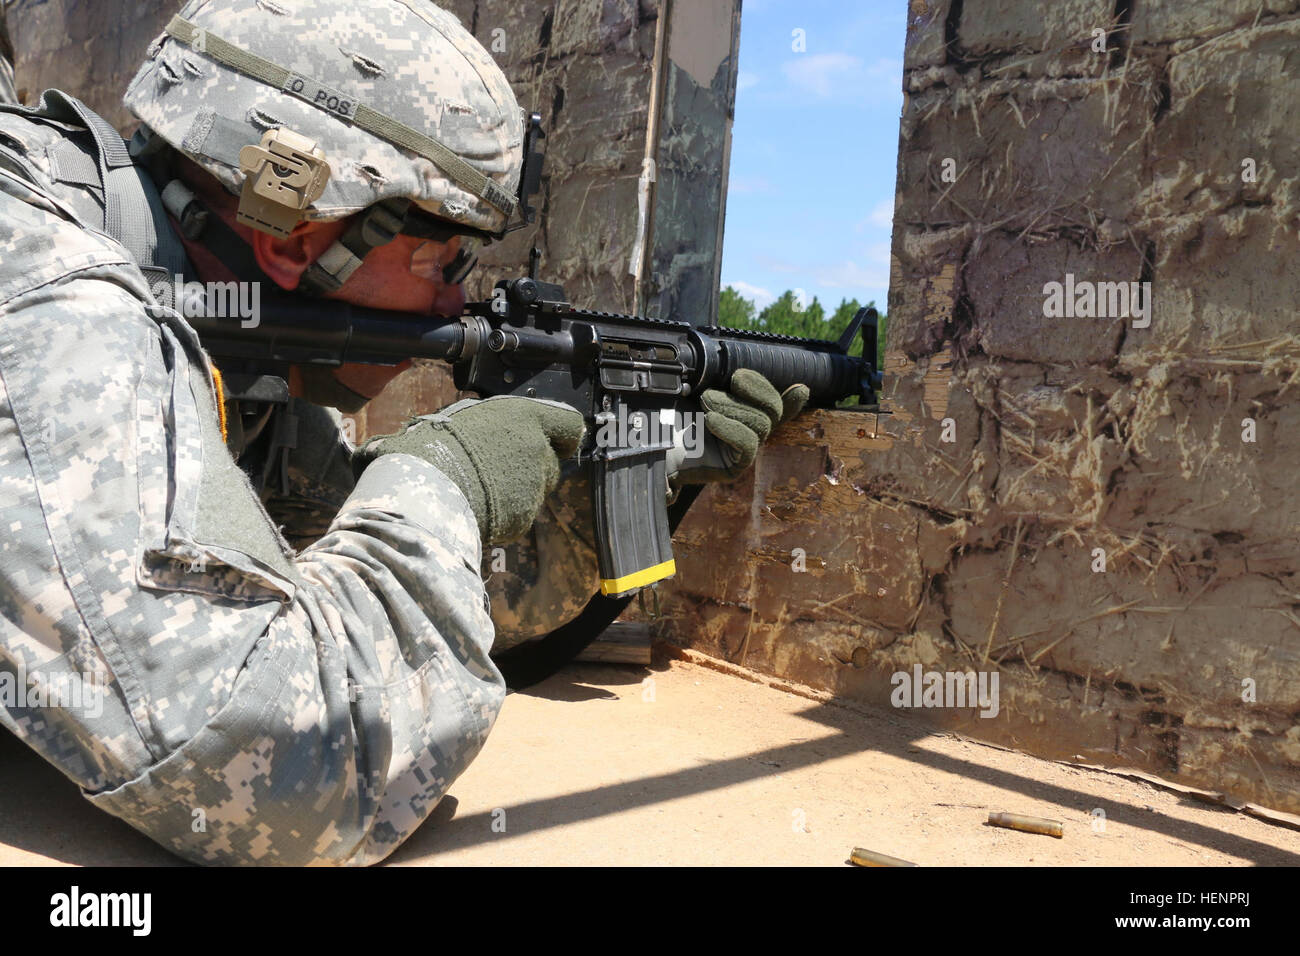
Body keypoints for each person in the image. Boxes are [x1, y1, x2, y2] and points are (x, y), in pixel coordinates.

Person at [0, 0, 804, 865]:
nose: (458, 300)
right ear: (301, 236)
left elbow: (353, 583)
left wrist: (606, 483)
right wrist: (445, 476)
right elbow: (288, 769)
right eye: (443, 261)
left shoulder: (225, 349)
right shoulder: (52, 300)